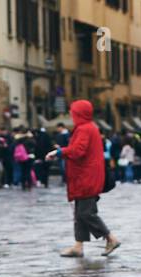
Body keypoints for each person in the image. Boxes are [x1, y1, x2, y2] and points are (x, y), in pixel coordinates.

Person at [51, 99, 120, 258]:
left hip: (86, 177)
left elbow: (78, 151)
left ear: (79, 113)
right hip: (85, 176)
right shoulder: (88, 128)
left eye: (72, 112)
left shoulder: (84, 129)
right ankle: (78, 246)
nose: (70, 114)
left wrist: (60, 152)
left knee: (86, 213)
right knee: (79, 212)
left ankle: (110, 238)